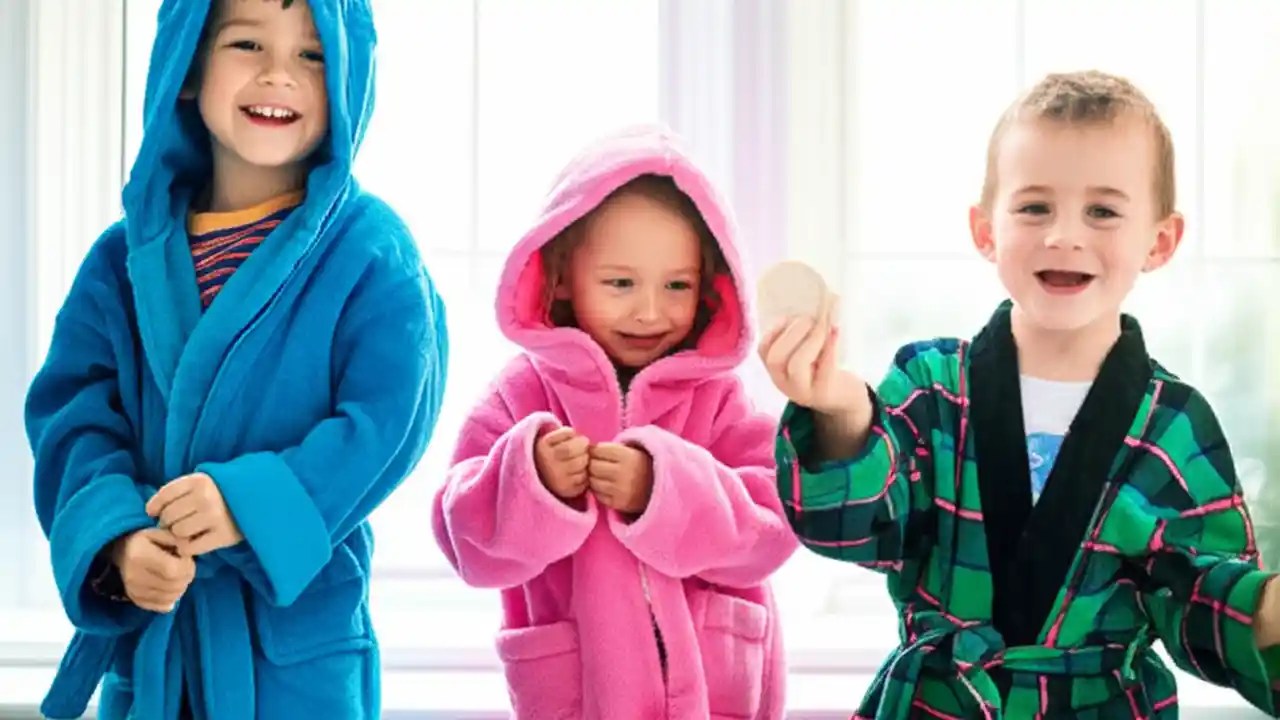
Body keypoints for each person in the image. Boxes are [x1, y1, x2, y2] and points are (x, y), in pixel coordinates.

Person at [761, 70, 1280, 718]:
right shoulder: (932, 386)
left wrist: (1264, 607)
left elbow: (1199, 594)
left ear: (1160, 240)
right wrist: (839, 409)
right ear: (985, 230)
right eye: (1035, 207)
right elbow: (853, 526)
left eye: (1103, 211)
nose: (1064, 234)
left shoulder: (1173, 424)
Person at [25, 1, 447, 717]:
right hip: (160, 637)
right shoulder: (122, 260)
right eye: (247, 43)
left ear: (349, 80)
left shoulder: (370, 253)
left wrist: (250, 505)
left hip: (293, 655)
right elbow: (74, 420)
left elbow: (388, 419)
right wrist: (119, 539)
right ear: (189, 67)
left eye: (313, 56)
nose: (278, 74)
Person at [432, 125, 797, 719]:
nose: (651, 310)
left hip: (712, 694)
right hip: (580, 695)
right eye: (620, 283)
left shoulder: (720, 399)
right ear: (558, 276)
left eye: (677, 285)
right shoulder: (520, 395)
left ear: (709, 287)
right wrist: (533, 481)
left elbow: (776, 523)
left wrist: (663, 489)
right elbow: (465, 542)